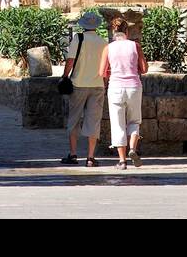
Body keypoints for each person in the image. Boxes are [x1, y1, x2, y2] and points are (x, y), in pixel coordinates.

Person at [61, 12, 107, 167]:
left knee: (74, 119)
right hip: (97, 85)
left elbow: (70, 60)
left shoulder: (78, 39)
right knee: (94, 121)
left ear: (83, 24)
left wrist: (64, 76)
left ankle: (73, 154)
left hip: (79, 84)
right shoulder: (103, 42)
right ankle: (90, 157)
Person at [100, 17, 146, 169]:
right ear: (127, 31)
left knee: (118, 124)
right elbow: (144, 69)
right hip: (133, 86)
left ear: (113, 31)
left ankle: (122, 161)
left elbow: (102, 72)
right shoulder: (135, 46)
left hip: (115, 88)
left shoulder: (108, 48)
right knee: (134, 120)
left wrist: (110, 74)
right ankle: (132, 149)